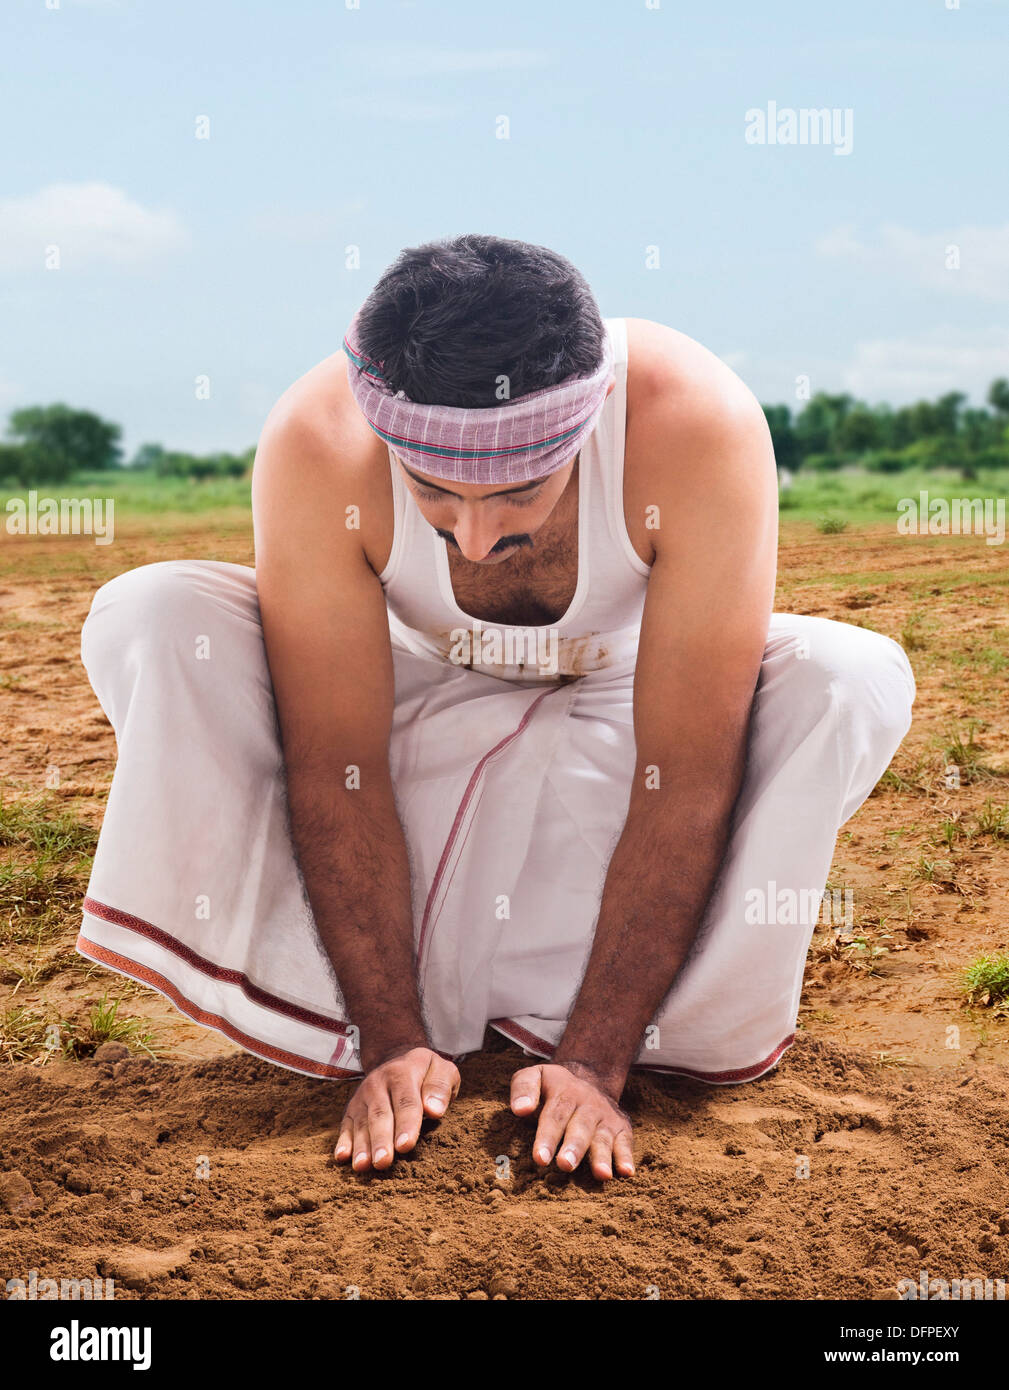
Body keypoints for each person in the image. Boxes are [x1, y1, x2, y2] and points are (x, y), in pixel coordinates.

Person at [77, 234, 915, 1182]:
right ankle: (336, 1001)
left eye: (517, 491)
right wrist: (387, 1042)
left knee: (847, 676)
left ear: (589, 419)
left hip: (628, 710)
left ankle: (637, 1026)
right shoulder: (318, 435)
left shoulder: (693, 419)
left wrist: (595, 1066)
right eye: (433, 491)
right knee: (152, 613)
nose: (473, 541)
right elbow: (333, 763)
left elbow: (684, 773)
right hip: (416, 695)